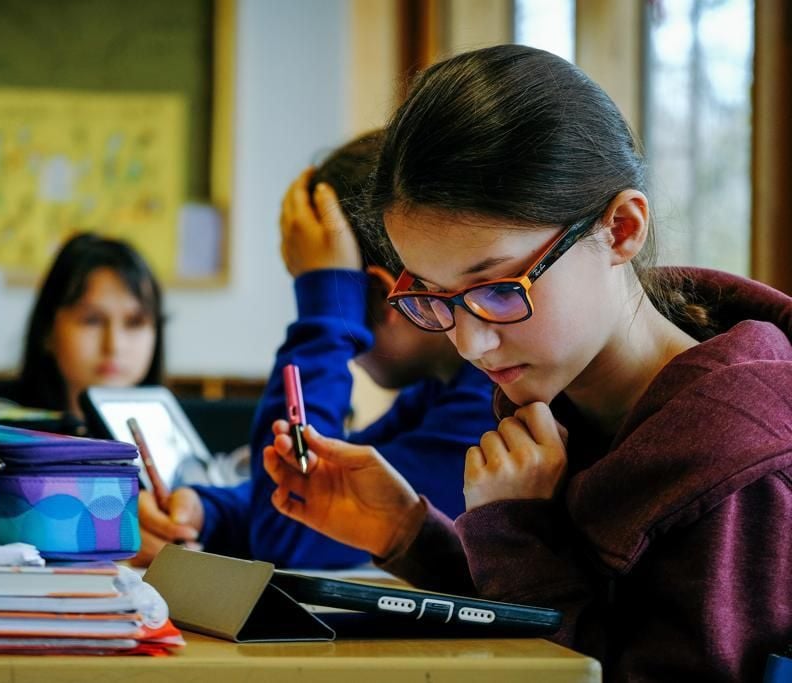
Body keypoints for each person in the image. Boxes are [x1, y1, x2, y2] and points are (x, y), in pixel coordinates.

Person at [262, 45, 792, 682]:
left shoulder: (735, 457)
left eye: (497, 288)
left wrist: (514, 529)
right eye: (432, 298)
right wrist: (410, 533)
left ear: (621, 229)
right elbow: (578, 611)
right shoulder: (559, 401)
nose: (470, 344)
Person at [134, 131, 496, 568]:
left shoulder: (488, 411)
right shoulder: (445, 391)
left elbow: (293, 535)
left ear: (386, 299)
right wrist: (207, 511)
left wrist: (324, 312)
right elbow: (325, 496)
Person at [0, 232, 165, 433]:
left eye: (135, 323)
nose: (114, 345)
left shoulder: (171, 438)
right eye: (92, 320)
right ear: (47, 331)